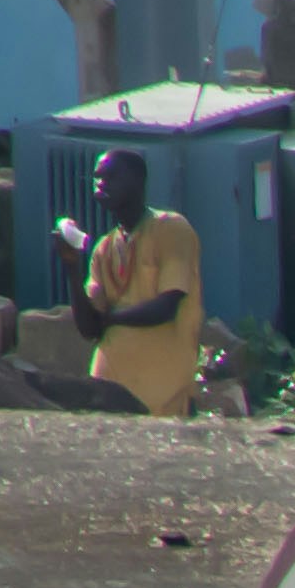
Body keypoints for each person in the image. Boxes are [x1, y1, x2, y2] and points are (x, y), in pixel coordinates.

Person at [64, 154, 205, 420]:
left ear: (138, 181)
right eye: (96, 178)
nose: (100, 184)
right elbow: (89, 328)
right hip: (108, 388)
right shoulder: (102, 249)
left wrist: (110, 318)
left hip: (162, 391)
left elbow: (166, 307)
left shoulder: (171, 229)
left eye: (110, 177)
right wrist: (71, 267)